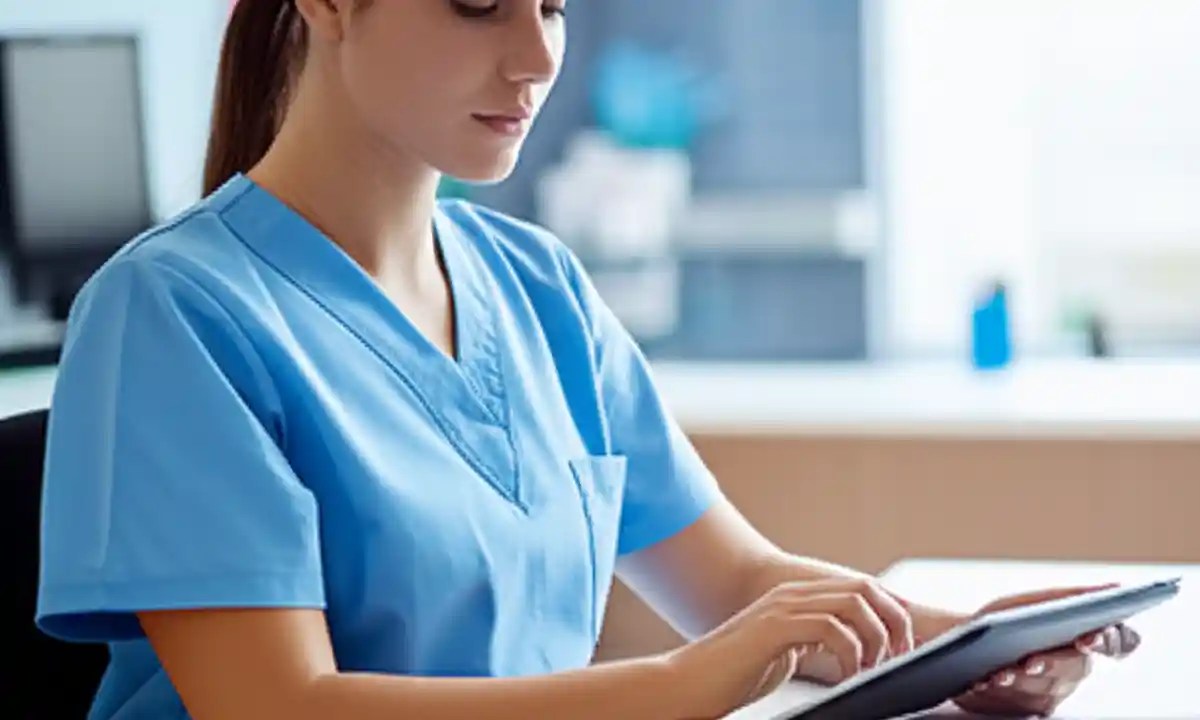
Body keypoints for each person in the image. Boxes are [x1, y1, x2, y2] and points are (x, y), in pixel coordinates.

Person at [36, 1, 1140, 718]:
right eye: (479, 6)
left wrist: (971, 650)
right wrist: (673, 686)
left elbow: (739, 588)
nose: (535, 56)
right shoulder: (172, 313)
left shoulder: (537, 288)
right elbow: (277, 709)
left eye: (554, 3)